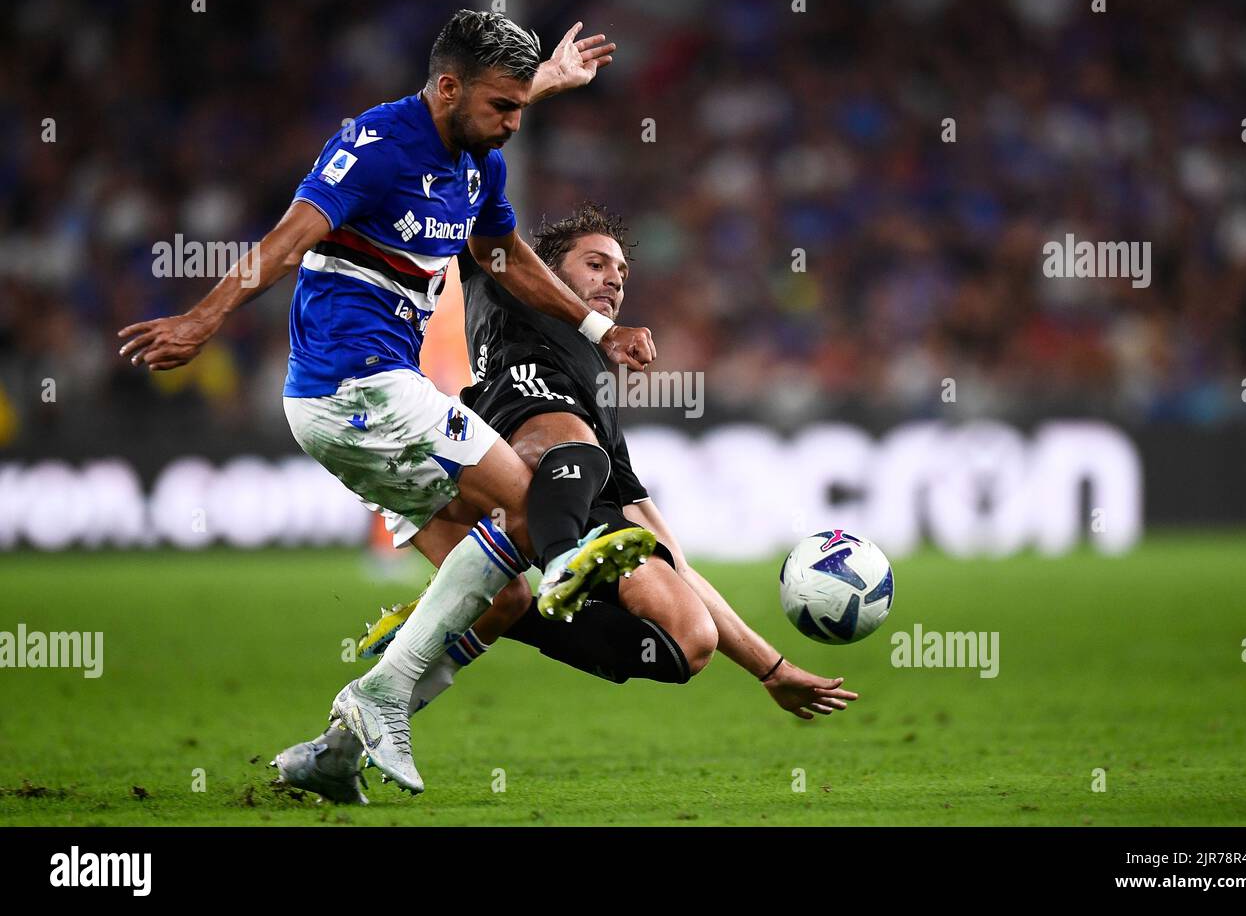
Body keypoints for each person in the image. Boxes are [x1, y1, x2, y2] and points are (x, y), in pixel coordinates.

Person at [118, 11, 657, 795]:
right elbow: (290, 237)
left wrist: (599, 327)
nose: (515, 121)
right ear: (446, 88)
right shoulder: (373, 148)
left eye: (520, 104)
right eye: (503, 107)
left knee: (501, 599)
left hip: (372, 398)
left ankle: (335, 753)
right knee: (534, 509)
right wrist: (202, 320)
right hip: (354, 384)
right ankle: (378, 697)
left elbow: (499, 253)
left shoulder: (479, 160)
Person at [274, 205, 858, 805]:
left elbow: (679, 562)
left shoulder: (599, 400)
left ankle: (337, 752)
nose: (613, 280)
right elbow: (478, 228)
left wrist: (772, 668)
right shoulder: (506, 284)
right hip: (507, 454)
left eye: (623, 274)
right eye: (596, 263)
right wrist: (506, 115)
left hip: (581, 496)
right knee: (566, 453)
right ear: (546, 271)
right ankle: (560, 562)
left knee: (689, 641)